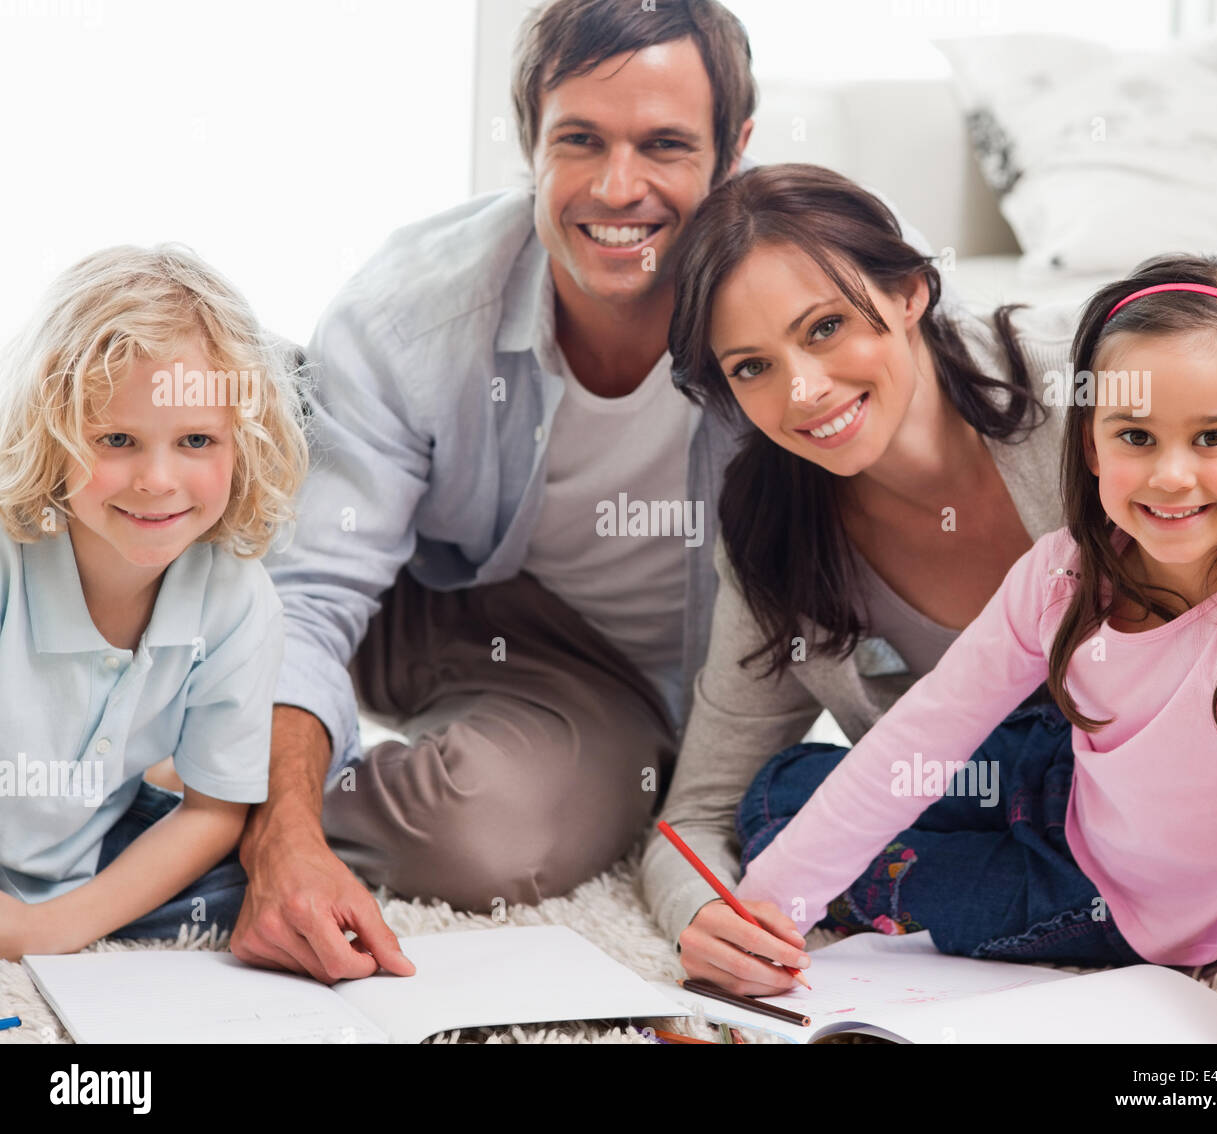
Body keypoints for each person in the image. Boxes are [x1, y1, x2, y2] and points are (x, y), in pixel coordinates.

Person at [232, 0, 937, 984]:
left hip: (605, 673)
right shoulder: (415, 312)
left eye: (662, 144)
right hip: (427, 585)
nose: (618, 187)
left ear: (732, 149)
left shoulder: (805, 327)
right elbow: (308, 599)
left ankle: (204, 797)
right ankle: (189, 776)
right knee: (161, 470)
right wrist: (283, 845)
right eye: (580, 140)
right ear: (528, 137)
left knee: (495, 832)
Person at [730, 253, 1217, 1043]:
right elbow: (922, 734)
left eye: (1213, 438)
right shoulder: (1062, 571)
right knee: (777, 792)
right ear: (1094, 446)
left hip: (1111, 897)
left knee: (931, 883)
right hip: (1064, 778)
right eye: (1136, 435)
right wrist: (764, 908)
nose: (1171, 476)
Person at [644, 162, 1079, 988]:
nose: (803, 392)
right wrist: (700, 917)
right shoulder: (772, 534)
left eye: (823, 328)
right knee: (784, 799)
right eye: (752, 367)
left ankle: (1135, 906)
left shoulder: (1089, 392)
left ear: (911, 292)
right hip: (1004, 800)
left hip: (1171, 781)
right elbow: (699, 811)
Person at [0, 245, 309, 958]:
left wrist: (53, 928)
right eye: (117, 439)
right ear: (51, 435)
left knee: (256, 890)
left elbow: (212, 812)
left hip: (94, 837)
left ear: (245, 447)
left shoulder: (239, 599)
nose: (158, 479)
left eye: (197, 439)